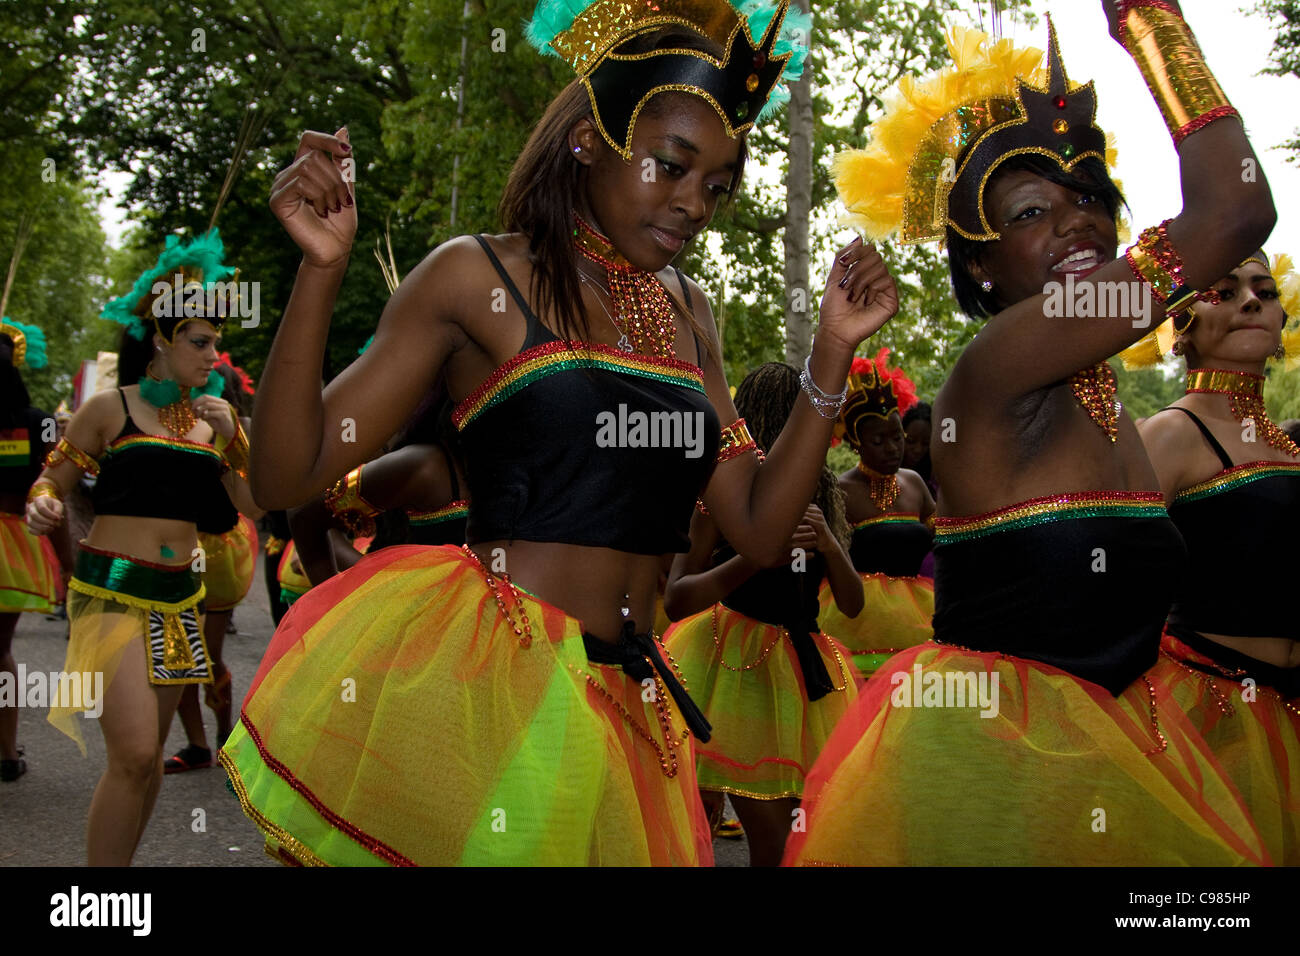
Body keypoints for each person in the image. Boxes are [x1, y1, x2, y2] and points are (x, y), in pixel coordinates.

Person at [222, 0, 897, 865]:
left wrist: (832, 353)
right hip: (494, 688)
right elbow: (285, 478)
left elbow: (763, 526)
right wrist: (321, 271)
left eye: (717, 186)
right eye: (670, 166)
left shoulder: (691, 314)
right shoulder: (478, 275)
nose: (694, 203)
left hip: (629, 705)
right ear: (588, 139)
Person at [786, 6, 1277, 865]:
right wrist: (1154, 26)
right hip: (1000, 788)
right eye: (1028, 212)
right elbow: (1234, 211)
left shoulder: (1112, 405)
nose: (1076, 219)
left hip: (1119, 776)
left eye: (1089, 196)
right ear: (978, 262)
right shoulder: (1000, 366)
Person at [29, 230, 260, 865]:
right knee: (132, 756)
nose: (213, 354)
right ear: (161, 340)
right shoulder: (110, 408)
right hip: (112, 591)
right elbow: (55, 476)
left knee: (151, 768)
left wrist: (235, 439)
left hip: (180, 599)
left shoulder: (216, 420)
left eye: (216, 342)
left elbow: (254, 507)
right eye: (200, 341)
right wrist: (42, 501)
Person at [1131, 251, 1300, 863]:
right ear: (1182, 327)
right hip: (1212, 717)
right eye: (1223, 292)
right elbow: (1117, 583)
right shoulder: (1168, 435)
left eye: (1263, 288)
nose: (1251, 300)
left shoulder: (1287, 443)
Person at [662, 362, 861, 865]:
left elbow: (853, 605)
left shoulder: (820, 492)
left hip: (809, 678)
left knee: (805, 842)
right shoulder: (722, 491)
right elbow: (677, 598)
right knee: (772, 845)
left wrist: (831, 546)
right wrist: (754, 557)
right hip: (736, 672)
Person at [165, 357, 262, 771]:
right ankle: (197, 744)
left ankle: (224, 735)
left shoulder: (239, 430)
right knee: (176, 656)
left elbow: (258, 493)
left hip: (221, 551)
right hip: (176, 547)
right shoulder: (173, 425)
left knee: (206, 654)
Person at [818, 349, 935, 679]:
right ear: (857, 443)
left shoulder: (914, 484)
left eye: (898, 437)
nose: (893, 448)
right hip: (855, 624)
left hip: (920, 621)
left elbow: (946, 539)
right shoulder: (840, 491)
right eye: (879, 440)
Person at [0, 319, 63, 782]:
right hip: (16, 546)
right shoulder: (40, 422)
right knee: (1, 649)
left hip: (17, 542)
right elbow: (50, 486)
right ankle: (6, 752)